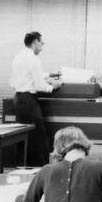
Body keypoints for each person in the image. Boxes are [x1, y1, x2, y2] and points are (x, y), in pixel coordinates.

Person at [16, 127, 102, 202]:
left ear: (59, 147)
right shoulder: (100, 168)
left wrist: (20, 196)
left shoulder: (46, 171)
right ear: (84, 144)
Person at [9, 31, 63, 165]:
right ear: (34, 42)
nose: (42, 46)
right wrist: (54, 85)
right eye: (41, 43)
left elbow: (26, 75)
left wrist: (49, 75)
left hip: (18, 99)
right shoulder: (33, 59)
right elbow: (39, 85)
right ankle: (40, 169)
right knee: (39, 138)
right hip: (28, 101)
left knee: (23, 136)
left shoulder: (19, 56)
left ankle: (22, 168)